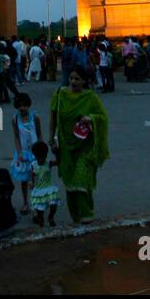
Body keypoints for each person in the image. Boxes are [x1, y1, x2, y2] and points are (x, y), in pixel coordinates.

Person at [49, 66, 110, 223]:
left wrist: (91, 118)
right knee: (70, 183)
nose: (73, 81)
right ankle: (76, 216)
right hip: (65, 145)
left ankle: (87, 214)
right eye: (71, 78)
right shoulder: (60, 95)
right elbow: (53, 118)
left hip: (85, 146)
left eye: (77, 79)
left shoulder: (90, 97)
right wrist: (51, 140)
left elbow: (103, 117)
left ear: (84, 81)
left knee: (81, 180)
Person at [9, 92, 41, 214]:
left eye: (25, 105)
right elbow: (16, 137)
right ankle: (25, 203)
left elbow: (39, 134)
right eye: (20, 106)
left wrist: (41, 152)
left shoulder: (35, 117)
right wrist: (19, 153)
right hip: (23, 153)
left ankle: (36, 203)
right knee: (24, 180)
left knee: (34, 179)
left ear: (29, 105)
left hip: (35, 153)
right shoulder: (15, 119)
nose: (22, 108)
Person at [28, 141, 59, 226]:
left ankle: (51, 217)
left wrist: (56, 152)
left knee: (53, 203)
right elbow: (32, 175)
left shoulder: (48, 163)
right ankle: (41, 223)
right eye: (39, 157)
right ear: (35, 156)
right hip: (38, 189)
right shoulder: (33, 165)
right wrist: (31, 182)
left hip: (48, 187)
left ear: (46, 155)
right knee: (40, 211)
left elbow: (58, 162)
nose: (42, 159)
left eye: (44, 157)